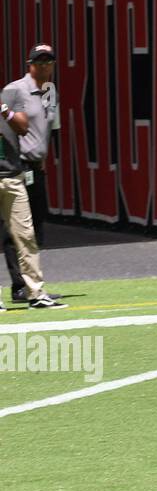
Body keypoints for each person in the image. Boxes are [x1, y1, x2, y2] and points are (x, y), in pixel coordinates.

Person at [2, 45, 63, 308]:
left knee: (32, 227)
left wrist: (44, 159)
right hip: (17, 165)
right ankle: (19, 286)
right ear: (30, 63)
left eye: (48, 61)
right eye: (39, 61)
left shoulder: (50, 91)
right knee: (12, 230)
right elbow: (10, 127)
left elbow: (49, 129)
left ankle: (32, 287)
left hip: (35, 165)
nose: (44, 65)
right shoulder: (15, 89)